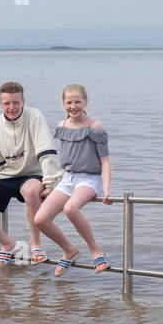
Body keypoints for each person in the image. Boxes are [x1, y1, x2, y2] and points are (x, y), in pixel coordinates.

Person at [0, 80, 69, 265]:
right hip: (6, 176)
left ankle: (35, 243)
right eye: (7, 103)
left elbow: (46, 149)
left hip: (33, 173)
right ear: (0, 104)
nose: (12, 107)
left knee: (29, 191)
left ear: (23, 101)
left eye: (16, 102)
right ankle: (7, 243)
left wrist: (50, 183)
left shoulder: (34, 116)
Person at [35, 83, 112, 276]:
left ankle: (96, 251)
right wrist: (50, 184)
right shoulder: (62, 126)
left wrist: (107, 188)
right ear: (63, 104)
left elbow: (105, 162)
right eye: (69, 102)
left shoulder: (95, 126)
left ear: (86, 102)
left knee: (70, 208)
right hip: (67, 179)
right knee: (40, 219)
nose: (73, 106)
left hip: (90, 179)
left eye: (77, 101)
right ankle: (70, 250)